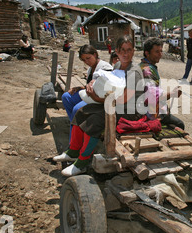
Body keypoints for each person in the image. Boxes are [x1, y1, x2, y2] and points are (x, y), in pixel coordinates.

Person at [54, 36, 144, 177]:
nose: (125, 54)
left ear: (133, 51)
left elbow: (123, 99)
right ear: (117, 51)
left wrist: (97, 98)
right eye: (122, 50)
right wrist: (93, 84)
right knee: (82, 111)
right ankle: (73, 151)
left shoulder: (135, 72)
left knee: (95, 120)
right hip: (114, 104)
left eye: (129, 50)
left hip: (130, 110)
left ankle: (82, 162)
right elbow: (109, 83)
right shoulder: (118, 66)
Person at [61, 45, 113, 125]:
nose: (87, 62)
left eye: (88, 58)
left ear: (95, 54)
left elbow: (103, 83)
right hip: (89, 94)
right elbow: (90, 85)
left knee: (77, 109)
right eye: (84, 60)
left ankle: (77, 129)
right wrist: (80, 87)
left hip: (99, 99)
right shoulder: (90, 69)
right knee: (66, 97)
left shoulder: (105, 67)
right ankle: (74, 124)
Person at [140, 37, 185, 130]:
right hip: (150, 113)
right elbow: (152, 97)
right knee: (180, 125)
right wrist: (172, 94)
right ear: (147, 53)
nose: (160, 54)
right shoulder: (147, 71)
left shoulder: (144, 66)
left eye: (161, 51)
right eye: (156, 52)